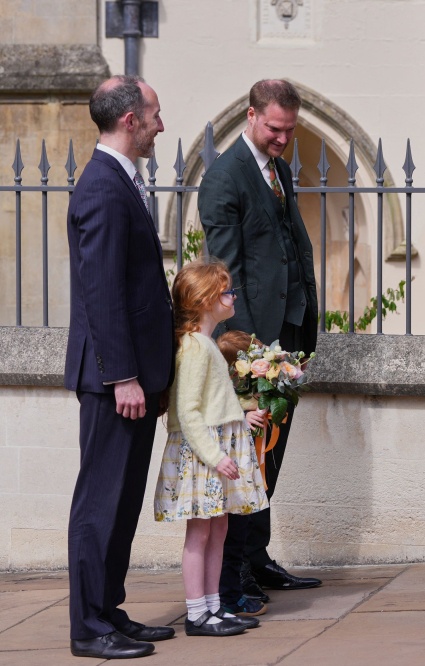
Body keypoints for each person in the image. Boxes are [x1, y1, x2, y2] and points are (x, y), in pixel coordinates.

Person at [200, 79, 321, 614]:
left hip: (287, 334)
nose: (282, 139)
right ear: (251, 116)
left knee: (272, 457)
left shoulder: (277, 170)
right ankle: (239, 569)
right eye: (275, 128)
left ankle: (260, 553)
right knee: (248, 459)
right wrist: (249, 355)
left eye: (289, 130)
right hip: (254, 346)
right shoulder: (224, 177)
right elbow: (229, 273)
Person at [64, 75, 175, 660]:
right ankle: (88, 627)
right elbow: (102, 293)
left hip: (133, 377)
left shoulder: (120, 181)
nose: (162, 123)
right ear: (130, 119)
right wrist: (123, 376)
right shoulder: (104, 188)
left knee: (123, 502)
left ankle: (108, 609)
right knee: (99, 503)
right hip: (113, 381)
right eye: (155, 113)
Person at [153, 258, 269, 637]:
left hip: (215, 452)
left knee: (218, 528)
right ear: (205, 299)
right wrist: (217, 456)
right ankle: (196, 612)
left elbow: (215, 400)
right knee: (201, 532)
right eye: (225, 291)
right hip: (204, 456)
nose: (232, 296)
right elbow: (188, 411)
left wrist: (244, 412)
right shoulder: (196, 347)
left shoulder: (204, 345)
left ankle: (214, 606)